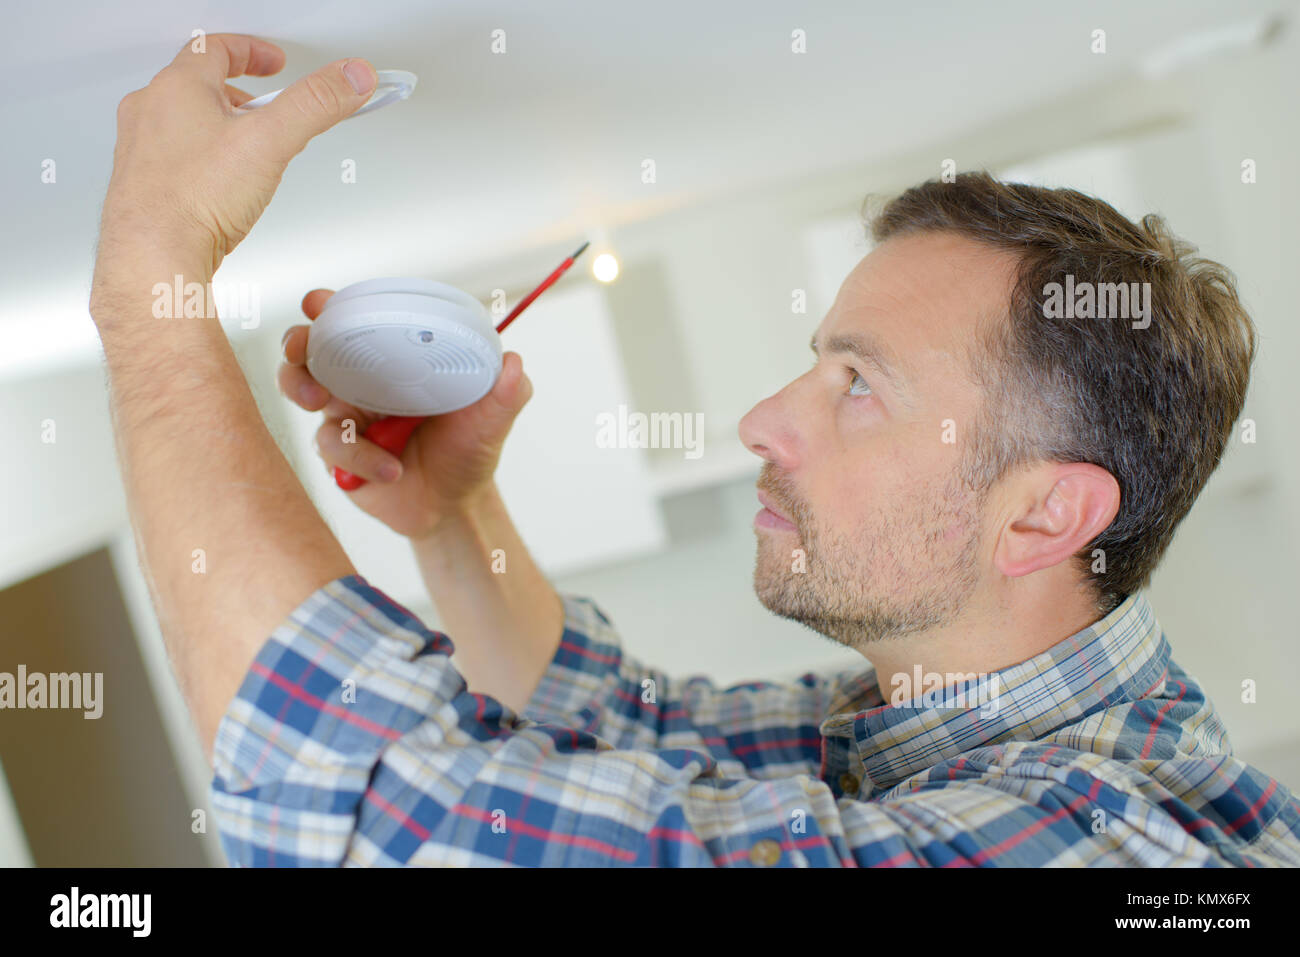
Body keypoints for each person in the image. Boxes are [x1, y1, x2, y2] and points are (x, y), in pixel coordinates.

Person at [91, 34, 1300, 866]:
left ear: (1041, 517)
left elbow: (398, 822)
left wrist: (152, 281)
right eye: (817, 361)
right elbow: (605, 724)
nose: (762, 422)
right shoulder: (907, 732)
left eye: (858, 387)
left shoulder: (1130, 847)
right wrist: (452, 516)